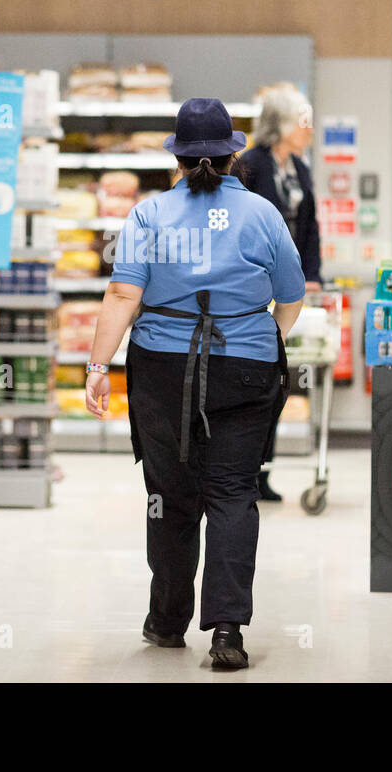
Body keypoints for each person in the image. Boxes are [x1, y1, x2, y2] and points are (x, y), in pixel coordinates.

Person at [86, 98, 305, 669]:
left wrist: (96, 367)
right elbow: (292, 294)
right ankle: (227, 632)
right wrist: (261, 337)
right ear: (233, 155)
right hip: (247, 367)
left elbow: (123, 295)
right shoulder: (262, 214)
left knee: (170, 494)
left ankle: (166, 620)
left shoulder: (148, 216)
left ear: (177, 159)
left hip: (163, 367)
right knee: (234, 492)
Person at [238, 83, 322, 501]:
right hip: (255, 286)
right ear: (281, 124)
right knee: (255, 377)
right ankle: (246, 471)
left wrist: (312, 275)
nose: (308, 128)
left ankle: (263, 473)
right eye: (302, 120)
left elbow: (310, 228)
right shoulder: (250, 165)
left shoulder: (300, 169)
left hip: (290, 286)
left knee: (277, 379)